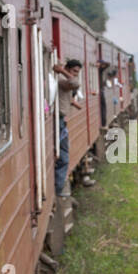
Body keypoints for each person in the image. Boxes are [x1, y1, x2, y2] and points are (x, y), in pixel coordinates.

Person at [52, 58, 82, 196]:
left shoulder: (63, 83)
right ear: (67, 68)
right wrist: (62, 70)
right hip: (58, 121)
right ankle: (58, 189)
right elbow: (75, 83)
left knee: (64, 154)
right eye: (74, 71)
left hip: (61, 121)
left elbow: (71, 89)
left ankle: (59, 185)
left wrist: (74, 104)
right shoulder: (61, 81)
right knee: (64, 158)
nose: (75, 74)